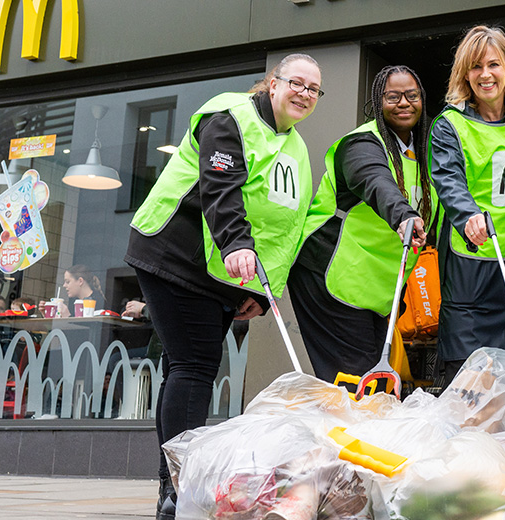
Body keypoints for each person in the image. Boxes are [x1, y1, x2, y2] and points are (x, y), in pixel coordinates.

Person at [125, 53, 321, 520]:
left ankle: (172, 491)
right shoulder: (230, 115)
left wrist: (258, 291)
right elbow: (222, 184)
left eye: (314, 89)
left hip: (220, 274)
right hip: (177, 253)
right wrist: (236, 243)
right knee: (194, 367)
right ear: (273, 84)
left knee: (184, 369)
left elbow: (283, 227)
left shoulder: (293, 146)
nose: (305, 94)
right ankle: (180, 489)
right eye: (297, 83)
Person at [288, 65, 434, 387]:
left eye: (412, 95)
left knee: (377, 383)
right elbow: (376, 182)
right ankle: (342, 437)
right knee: (357, 382)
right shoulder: (362, 145)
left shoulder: (424, 157)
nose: (403, 103)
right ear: (376, 102)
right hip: (331, 275)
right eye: (392, 96)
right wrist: (403, 215)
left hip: (373, 290)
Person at [429, 26, 505, 381]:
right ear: (465, 73)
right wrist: (468, 216)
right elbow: (449, 179)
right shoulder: (449, 124)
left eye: (493, 64)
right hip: (473, 263)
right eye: (475, 67)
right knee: (469, 372)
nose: (485, 74)